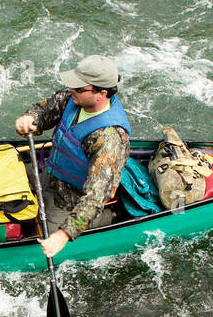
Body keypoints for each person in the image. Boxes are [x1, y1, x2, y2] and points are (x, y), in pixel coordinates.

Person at [14, 54, 131, 258]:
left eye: (78, 87)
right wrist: (29, 119)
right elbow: (44, 110)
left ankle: (108, 217)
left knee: (37, 240)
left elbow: (95, 197)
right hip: (50, 177)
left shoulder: (109, 139)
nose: (70, 89)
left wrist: (63, 234)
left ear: (100, 94)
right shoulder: (75, 98)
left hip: (72, 202)